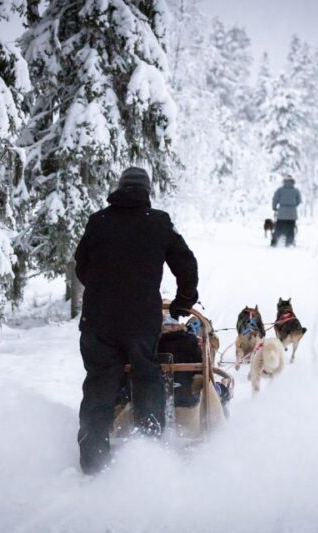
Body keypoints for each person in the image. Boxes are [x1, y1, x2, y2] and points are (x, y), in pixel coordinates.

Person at [73, 166, 199, 475]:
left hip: (98, 321)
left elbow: (81, 266)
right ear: (147, 192)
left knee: (99, 384)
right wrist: (183, 302)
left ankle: (93, 461)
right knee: (147, 378)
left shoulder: (98, 221)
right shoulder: (158, 223)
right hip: (141, 321)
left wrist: (104, 289)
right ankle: (148, 454)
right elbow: (186, 263)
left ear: (119, 188)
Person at [271, 176, 302, 247]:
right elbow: (299, 201)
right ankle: (289, 242)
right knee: (291, 228)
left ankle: (274, 242)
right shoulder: (296, 191)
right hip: (292, 213)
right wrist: (293, 206)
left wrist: (274, 208)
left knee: (278, 227)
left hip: (282, 212)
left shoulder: (279, 190)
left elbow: (275, 199)